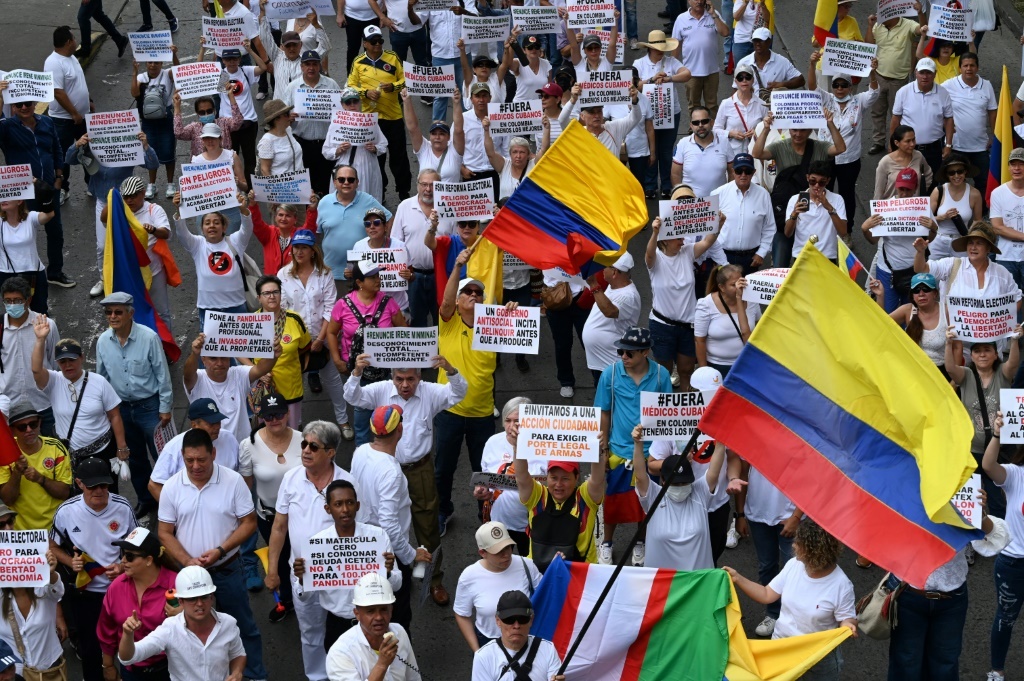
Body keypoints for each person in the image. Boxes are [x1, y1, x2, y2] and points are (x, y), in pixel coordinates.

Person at [345, 353, 466, 598]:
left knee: (428, 525)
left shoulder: (430, 392)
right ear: (392, 378)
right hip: (388, 469)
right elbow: (352, 396)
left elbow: (458, 393)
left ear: (420, 378)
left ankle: (434, 578)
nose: (405, 385)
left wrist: (451, 370)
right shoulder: (380, 390)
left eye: (410, 379)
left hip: (419, 469)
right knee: (386, 521)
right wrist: (356, 372)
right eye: (399, 379)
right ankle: (393, 572)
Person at [156, 429, 267, 681]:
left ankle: (254, 675)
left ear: (214, 454)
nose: (195, 466)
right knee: (192, 633)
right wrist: (187, 562)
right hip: (190, 577)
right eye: (189, 460)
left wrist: (221, 550)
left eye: (202, 460)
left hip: (227, 568)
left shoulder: (233, 480)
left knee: (242, 626)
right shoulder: (172, 487)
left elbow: (249, 523)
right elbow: (164, 532)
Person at [435, 253, 519, 538]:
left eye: (478, 292)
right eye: (467, 292)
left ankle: (485, 515)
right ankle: (443, 511)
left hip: (483, 413)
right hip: (449, 411)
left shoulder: (495, 324)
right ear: (458, 300)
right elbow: (445, 303)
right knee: (442, 469)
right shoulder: (448, 321)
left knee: (484, 472)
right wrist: (457, 265)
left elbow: (520, 328)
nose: (473, 295)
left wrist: (513, 311)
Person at [265, 420, 353, 681]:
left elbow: (364, 529)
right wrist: (272, 571)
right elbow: (279, 528)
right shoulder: (291, 479)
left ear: (330, 453)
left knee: (344, 629)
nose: (305, 450)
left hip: (341, 576)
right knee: (311, 633)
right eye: (303, 443)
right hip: (303, 576)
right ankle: (318, 676)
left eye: (313, 446)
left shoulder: (348, 483)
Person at [724, 519, 857, 679]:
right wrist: (738, 578)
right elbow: (767, 594)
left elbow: (847, 620)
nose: (793, 545)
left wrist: (849, 625)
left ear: (814, 551)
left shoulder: (842, 585)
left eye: (799, 543)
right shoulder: (793, 565)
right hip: (781, 648)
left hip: (817, 659)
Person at [49, 456, 138, 681]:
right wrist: (70, 562)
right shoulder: (66, 512)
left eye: (104, 485)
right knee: (91, 648)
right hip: (86, 594)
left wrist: (122, 565)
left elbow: (138, 545)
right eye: (92, 486)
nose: (99, 491)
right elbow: (51, 545)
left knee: (131, 643)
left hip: (120, 590)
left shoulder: (123, 506)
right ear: (79, 484)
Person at [594, 327, 674, 565]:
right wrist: (605, 450)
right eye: (621, 351)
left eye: (629, 353)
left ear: (646, 352)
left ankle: (641, 541)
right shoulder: (610, 375)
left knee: (646, 503)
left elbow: (667, 415)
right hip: (620, 452)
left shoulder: (661, 375)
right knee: (612, 503)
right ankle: (606, 543)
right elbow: (604, 413)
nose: (623, 356)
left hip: (651, 454)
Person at [296, 480, 400, 651]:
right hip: (337, 625)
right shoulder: (317, 544)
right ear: (328, 509)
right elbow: (304, 597)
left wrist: (388, 573)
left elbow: (397, 585)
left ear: (357, 506)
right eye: (338, 504)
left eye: (350, 503)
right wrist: (302, 579)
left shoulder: (377, 537)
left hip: (375, 623)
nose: (345, 509)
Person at [350, 406, 435, 616]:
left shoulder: (360, 452)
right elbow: (388, 523)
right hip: (388, 553)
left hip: (363, 542)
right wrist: (411, 555)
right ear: (400, 430)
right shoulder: (391, 471)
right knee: (398, 613)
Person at [94, 292, 172, 518]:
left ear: (131, 313)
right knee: (135, 458)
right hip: (122, 410)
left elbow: (162, 374)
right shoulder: (102, 342)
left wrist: (165, 406)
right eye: (108, 312)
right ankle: (146, 500)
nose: (112, 316)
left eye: (118, 312)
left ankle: (170, 501)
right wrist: (107, 412)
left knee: (162, 456)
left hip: (150, 407)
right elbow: (103, 379)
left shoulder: (148, 337)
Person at [31, 330, 128, 487]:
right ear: (57, 363)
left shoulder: (99, 382)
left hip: (102, 451)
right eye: (63, 362)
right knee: (76, 499)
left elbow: (115, 415)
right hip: (69, 456)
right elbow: (36, 370)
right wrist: (40, 339)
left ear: (81, 358)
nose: (68, 365)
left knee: (106, 493)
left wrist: (122, 447)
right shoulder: (53, 381)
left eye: (72, 359)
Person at [645, 198, 724, 391]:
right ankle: (665, 413)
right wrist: (655, 232)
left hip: (688, 324)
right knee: (663, 375)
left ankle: (685, 415)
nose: (683, 240)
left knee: (686, 370)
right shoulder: (656, 260)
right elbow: (649, 254)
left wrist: (718, 224)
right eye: (679, 237)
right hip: (662, 325)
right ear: (666, 238)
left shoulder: (687, 252)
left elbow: (707, 241)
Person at [117, 565, 247, 681]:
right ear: (181, 602)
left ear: (212, 597)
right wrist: (128, 634)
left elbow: (238, 654)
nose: (200, 603)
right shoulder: (170, 629)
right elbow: (129, 657)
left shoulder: (228, 623)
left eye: (204, 596)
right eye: (192, 599)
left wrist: (237, 673)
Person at [237, 393, 302, 622]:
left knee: (302, 559)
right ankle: (286, 601)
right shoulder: (249, 445)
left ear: (287, 414)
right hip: (268, 516)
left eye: (279, 414)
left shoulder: (304, 440)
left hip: (300, 516)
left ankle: (309, 600)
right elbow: (246, 486)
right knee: (280, 560)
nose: (274, 420)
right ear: (261, 418)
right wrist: (246, 519)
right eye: (268, 416)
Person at [751, 109, 845, 265]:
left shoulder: (820, 147)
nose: (798, 134)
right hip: (787, 209)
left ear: (810, 130)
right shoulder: (780, 146)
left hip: (815, 210)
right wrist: (766, 128)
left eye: (803, 130)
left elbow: (840, 149)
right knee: (780, 266)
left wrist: (830, 123)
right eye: (794, 130)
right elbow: (757, 153)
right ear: (789, 129)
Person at [326, 259, 406, 442]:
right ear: (359, 282)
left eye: (378, 276)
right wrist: (337, 360)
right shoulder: (343, 304)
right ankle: (362, 457)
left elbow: (403, 331)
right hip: (357, 371)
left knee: (388, 415)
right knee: (361, 415)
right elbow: (331, 332)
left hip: (386, 371)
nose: (378, 280)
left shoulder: (389, 302)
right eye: (372, 277)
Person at [0, 75, 67, 291]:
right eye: (18, 104)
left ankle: (55, 272)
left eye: (28, 103)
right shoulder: (8, 128)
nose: (24, 107)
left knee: (55, 231)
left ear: (35, 103)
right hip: (21, 194)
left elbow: (57, 148)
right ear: (13, 106)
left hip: (48, 189)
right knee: (21, 235)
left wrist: (58, 178)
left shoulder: (46, 122)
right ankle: (20, 278)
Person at [632, 423, 727, 570]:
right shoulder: (653, 497)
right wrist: (638, 445)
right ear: (663, 480)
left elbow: (714, 470)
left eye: (684, 483)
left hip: (697, 583)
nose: (680, 487)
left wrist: (721, 442)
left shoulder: (700, 493)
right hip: (662, 585)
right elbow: (640, 475)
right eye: (675, 484)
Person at [96, 527, 179, 681]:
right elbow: (106, 630)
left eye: (129, 556)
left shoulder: (177, 584)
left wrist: (184, 616)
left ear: (149, 560)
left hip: (170, 668)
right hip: (131, 670)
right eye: (122, 554)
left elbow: (201, 622)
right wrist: (108, 666)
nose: (123, 561)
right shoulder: (116, 587)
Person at [807, 55, 880, 226]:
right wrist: (811, 64)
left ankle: (846, 229)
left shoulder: (859, 101)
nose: (839, 89)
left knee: (847, 195)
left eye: (843, 85)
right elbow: (812, 87)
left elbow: (874, 92)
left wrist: (873, 73)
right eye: (836, 85)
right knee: (824, 191)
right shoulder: (826, 99)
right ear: (832, 87)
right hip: (826, 158)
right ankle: (825, 226)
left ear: (850, 87)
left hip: (849, 159)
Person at [278, 230, 346, 414]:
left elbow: (330, 308)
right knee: (294, 382)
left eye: (304, 248)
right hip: (294, 339)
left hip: (321, 335)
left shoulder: (325, 274)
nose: (299, 252)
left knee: (332, 379)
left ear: (313, 251)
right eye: (296, 247)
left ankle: (343, 419)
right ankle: (296, 425)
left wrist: (319, 339)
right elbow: (282, 309)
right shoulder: (283, 274)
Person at [98, 177, 176, 327]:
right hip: (130, 274)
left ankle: (165, 349)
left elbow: (166, 233)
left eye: (133, 196)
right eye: (125, 197)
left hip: (154, 272)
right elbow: (103, 218)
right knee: (132, 313)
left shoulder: (154, 209)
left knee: (161, 312)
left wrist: (152, 230)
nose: (129, 201)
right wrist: (112, 198)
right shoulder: (120, 213)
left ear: (142, 193)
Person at [476, 398, 547, 556]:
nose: (512, 426)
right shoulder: (492, 442)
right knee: (499, 567)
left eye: (518, 421)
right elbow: (485, 477)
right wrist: (482, 490)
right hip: (499, 523)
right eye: (507, 420)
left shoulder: (545, 446)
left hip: (532, 525)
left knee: (530, 569)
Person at [455, 522, 542, 651]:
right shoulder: (469, 576)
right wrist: (477, 650)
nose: (506, 554)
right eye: (498, 551)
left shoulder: (527, 565)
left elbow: (546, 593)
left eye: (508, 547)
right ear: (482, 552)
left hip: (525, 638)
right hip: (489, 642)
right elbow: (462, 614)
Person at [348, 26, 411, 200]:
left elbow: (407, 78)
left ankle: (404, 191)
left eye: (380, 41)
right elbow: (350, 85)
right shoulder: (358, 62)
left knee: (399, 157)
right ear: (365, 43)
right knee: (376, 159)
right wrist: (365, 93)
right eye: (373, 41)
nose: (377, 44)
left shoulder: (392, 57)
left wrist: (394, 87)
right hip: (371, 120)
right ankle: (379, 192)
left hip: (394, 116)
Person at [171, 191, 253, 324]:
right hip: (208, 308)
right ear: (202, 228)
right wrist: (179, 211)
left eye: (216, 223)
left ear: (224, 227)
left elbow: (247, 229)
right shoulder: (197, 244)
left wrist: (243, 210)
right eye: (207, 223)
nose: (212, 226)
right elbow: (182, 233)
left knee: (238, 344)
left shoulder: (235, 241)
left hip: (236, 305)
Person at [325, 573, 421, 681]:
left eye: (384, 609)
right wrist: (381, 665)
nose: (379, 617)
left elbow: (413, 677)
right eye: (370, 611)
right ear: (357, 614)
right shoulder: (340, 653)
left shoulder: (400, 632)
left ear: (391, 610)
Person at [183, 337, 279, 444]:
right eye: (213, 358)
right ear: (203, 360)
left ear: (229, 358)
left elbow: (260, 369)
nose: (219, 363)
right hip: (209, 450)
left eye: (224, 358)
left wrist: (274, 354)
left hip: (242, 447)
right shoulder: (198, 379)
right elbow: (187, 375)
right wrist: (194, 354)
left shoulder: (238, 374)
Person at [863, 167, 935, 311]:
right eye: (901, 189)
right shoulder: (885, 208)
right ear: (896, 187)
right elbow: (873, 241)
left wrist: (933, 228)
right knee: (887, 313)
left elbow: (929, 239)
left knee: (912, 313)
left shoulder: (922, 208)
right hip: (887, 271)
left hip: (914, 270)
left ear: (915, 188)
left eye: (908, 190)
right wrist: (865, 229)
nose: (904, 194)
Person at [198, 42, 267, 185]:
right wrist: (203, 47)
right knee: (229, 158)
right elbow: (200, 71)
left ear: (239, 59)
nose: (232, 62)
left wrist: (249, 49)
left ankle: (249, 190)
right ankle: (232, 188)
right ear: (223, 60)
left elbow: (263, 67)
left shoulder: (245, 71)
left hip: (248, 121)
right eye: (228, 59)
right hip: (228, 125)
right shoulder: (222, 75)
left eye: (235, 59)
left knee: (250, 159)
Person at [147, 401, 244, 501]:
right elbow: (154, 485)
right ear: (194, 425)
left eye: (218, 421)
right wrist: (175, 512)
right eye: (211, 423)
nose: (217, 427)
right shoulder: (173, 447)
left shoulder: (229, 438)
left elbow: (242, 473)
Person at [316, 165, 392, 291]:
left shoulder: (367, 200)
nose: (346, 183)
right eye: (341, 179)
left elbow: (389, 219)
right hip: (331, 273)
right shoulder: (324, 202)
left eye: (351, 180)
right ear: (334, 182)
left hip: (363, 274)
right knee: (335, 310)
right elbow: (317, 234)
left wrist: (382, 245)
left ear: (357, 182)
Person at [634, 30, 690, 199]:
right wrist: (652, 79)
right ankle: (650, 184)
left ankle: (666, 184)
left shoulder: (671, 61)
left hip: (670, 112)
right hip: (647, 114)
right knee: (651, 149)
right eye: (657, 47)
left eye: (662, 47)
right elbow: (634, 85)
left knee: (666, 150)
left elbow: (687, 74)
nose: (660, 50)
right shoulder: (639, 63)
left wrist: (669, 79)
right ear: (649, 48)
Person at [0, 404, 71, 530]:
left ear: (40, 423)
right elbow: (8, 500)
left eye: (33, 424)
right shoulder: (7, 453)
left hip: (54, 528)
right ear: (12, 430)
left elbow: (64, 493)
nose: (29, 430)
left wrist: (40, 479)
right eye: (22, 427)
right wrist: (17, 473)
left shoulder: (56, 448)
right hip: (21, 532)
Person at [0, 279, 58, 434]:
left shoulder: (47, 325)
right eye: (8, 301)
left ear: (28, 300)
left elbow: (55, 362)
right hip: (9, 408)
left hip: (43, 405)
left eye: (18, 300)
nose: (12, 305)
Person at [867, 5, 926, 155]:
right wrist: (870, 26)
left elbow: (923, 29)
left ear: (891, 14)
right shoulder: (878, 26)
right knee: (877, 112)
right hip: (879, 76)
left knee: (897, 114)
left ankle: (895, 143)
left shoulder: (907, 25)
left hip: (898, 80)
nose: (879, 16)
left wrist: (920, 12)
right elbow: (868, 44)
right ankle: (878, 141)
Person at [254, 275, 311, 428]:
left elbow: (305, 347)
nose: (271, 296)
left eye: (275, 292)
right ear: (259, 297)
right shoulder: (251, 322)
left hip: (290, 387)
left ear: (281, 294)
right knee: (265, 434)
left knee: (292, 432)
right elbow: (240, 353)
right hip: (263, 388)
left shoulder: (295, 319)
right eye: (266, 293)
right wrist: (258, 372)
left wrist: (299, 368)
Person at [281, 52, 341, 197]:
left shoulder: (331, 84)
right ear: (302, 67)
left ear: (319, 65)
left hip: (326, 143)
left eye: (314, 64)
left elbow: (341, 112)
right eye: (307, 64)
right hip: (302, 144)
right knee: (305, 185)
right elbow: (282, 116)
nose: (311, 68)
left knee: (327, 182)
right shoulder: (292, 87)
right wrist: (289, 118)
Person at [44, 26, 90, 210]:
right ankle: (63, 188)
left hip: (82, 116)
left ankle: (91, 184)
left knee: (88, 150)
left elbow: (78, 83)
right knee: (63, 154)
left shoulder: (71, 58)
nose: (76, 39)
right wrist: (74, 113)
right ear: (68, 42)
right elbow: (58, 92)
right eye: (73, 37)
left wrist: (89, 101)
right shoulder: (54, 62)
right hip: (64, 120)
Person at [471, 590, 564, 681]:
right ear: (498, 621)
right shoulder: (483, 656)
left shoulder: (548, 649)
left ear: (531, 620)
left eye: (522, 619)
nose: (516, 626)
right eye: (509, 619)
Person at [0, 545, 63, 680]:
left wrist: (50, 573)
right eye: (10, 564)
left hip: (50, 668)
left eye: (20, 562)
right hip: (14, 673)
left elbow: (58, 590)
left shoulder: (42, 589)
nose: (16, 568)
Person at [392, 169, 443, 328]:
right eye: (424, 184)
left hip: (441, 276)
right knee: (415, 324)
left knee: (442, 322)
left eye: (433, 185)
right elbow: (396, 244)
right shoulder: (404, 206)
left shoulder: (448, 208)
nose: (428, 189)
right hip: (413, 277)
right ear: (417, 185)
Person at [870, 273, 949, 373]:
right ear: (912, 295)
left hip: (941, 372)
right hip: (913, 371)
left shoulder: (947, 311)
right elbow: (880, 324)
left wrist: (954, 383)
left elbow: (957, 348)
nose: (921, 294)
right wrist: (880, 296)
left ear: (935, 293)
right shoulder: (907, 310)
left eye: (926, 289)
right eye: (916, 290)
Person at [890, 58, 954, 183]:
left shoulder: (943, 93)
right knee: (908, 182)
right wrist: (892, 144)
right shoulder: (903, 92)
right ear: (916, 73)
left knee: (934, 181)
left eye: (929, 73)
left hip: (935, 148)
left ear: (935, 73)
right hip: (908, 148)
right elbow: (895, 119)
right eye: (922, 72)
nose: (925, 76)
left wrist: (948, 145)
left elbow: (949, 119)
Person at [582, 253, 641, 382]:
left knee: (612, 398)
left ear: (614, 272)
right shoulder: (614, 286)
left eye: (605, 266)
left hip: (611, 362)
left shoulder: (628, 296)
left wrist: (594, 285)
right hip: (601, 361)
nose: (602, 269)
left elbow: (610, 311)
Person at [946, 53, 996, 206]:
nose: (969, 69)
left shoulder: (986, 85)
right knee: (954, 182)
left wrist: (995, 137)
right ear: (959, 68)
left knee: (983, 183)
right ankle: (956, 211)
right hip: (956, 146)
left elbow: (992, 112)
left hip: (980, 147)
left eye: (972, 65)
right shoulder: (948, 85)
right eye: (965, 65)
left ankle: (981, 213)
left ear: (977, 67)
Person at [323, 87, 388, 203]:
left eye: (355, 101)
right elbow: (326, 151)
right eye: (348, 102)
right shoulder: (336, 124)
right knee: (342, 199)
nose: (352, 105)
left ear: (360, 103)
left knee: (366, 198)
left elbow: (383, 144)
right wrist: (338, 150)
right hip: (344, 164)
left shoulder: (369, 121)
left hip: (367, 165)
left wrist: (375, 148)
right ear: (343, 105)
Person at [711, 153, 773, 274]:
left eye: (747, 171)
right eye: (739, 171)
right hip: (723, 256)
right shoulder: (718, 193)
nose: (743, 175)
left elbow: (769, 227)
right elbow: (709, 230)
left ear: (754, 172)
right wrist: (717, 257)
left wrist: (761, 253)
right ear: (733, 171)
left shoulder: (763, 195)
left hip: (751, 259)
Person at [670, 0, 729, 118]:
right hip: (690, 72)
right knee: (693, 105)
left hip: (711, 71)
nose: (699, 1)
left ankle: (713, 131)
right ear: (688, 1)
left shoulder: (713, 14)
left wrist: (713, 14)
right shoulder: (681, 19)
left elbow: (725, 32)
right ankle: (694, 131)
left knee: (712, 105)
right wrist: (673, 68)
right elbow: (676, 44)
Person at [131, 56, 179, 201]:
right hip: (148, 121)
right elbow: (134, 93)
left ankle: (170, 184)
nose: (153, 65)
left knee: (168, 150)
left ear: (161, 63)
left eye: (156, 62)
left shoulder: (167, 74)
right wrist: (134, 72)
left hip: (166, 119)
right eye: (150, 62)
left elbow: (179, 71)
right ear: (146, 63)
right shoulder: (141, 77)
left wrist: (174, 54)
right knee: (150, 151)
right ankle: (152, 184)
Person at [695, 264, 758, 376]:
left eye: (741, 282)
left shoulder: (752, 301)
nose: (740, 287)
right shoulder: (705, 304)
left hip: (746, 364)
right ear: (722, 287)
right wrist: (704, 371)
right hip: (717, 366)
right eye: (734, 285)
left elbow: (758, 329)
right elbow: (700, 341)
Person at [784, 160, 847, 265]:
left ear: (828, 181)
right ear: (807, 178)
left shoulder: (837, 199)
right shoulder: (795, 199)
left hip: (827, 256)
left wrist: (830, 208)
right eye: (813, 181)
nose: (816, 185)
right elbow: (787, 233)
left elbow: (843, 231)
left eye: (821, 182)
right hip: (802, 255)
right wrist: (794, 214)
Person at [0, 196, 54, 315]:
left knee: (39, 311)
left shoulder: (31, 218)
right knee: (14, 313)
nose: (3, 199)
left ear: (19, 201)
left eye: (8, 197)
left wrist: (42, 189)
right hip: (7, 274)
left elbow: (49, 214)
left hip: (33, 273)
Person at [557, 83, 642, 158]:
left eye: (599, 111)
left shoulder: (613, 128)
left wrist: (634, 102)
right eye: (592, 112)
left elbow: (635, 118)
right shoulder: (579, 133)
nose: (597, 115)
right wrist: (572, 100)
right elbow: (561, 120)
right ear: (582, 116)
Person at [672, 105, 736, 197]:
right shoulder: (683, 144)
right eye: (696, 123)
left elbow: (732, 171)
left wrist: (729, 195)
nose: (700, 125)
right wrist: (680, 195)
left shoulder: (724, 142)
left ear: (712, 123)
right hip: (691, 203)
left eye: (704, 121)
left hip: (720, 202)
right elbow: (675, 173)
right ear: (691, 126)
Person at [401, 90, 465, 184]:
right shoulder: (424, 149)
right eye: (434, 134)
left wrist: (456, 102)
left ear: (448, 137)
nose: (437, 137)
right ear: (429, 136)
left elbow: (459, 130)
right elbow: (413, 128)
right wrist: (407, 101)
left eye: (442, 134)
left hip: (450, 198)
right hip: (428, 197)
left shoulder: (455, 150)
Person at [250, 192, 319, 276]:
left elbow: (310, 227)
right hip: (272, 283)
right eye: (280, 215)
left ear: (295, 219)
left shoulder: (299, 235)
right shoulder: (268, 233)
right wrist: (253, 205)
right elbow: (256, 222)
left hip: (294, 282)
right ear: (275, 218)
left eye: (288, 216)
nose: (283, 218)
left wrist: (312, 210)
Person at [928, 154, 982, 260]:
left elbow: (978, 220)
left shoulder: (974, 194)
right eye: (951, 173)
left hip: (961, 241)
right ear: (947, 175)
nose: (956, 176)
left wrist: (971, 236)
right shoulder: (938, 191)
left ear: (965, 171)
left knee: (960, 274)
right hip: (939, 240)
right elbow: (926, 219)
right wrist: (943, 217)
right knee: (933, 273)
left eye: (960, 171)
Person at [990, 148, 1024, 298]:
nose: (1017, 168)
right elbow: (997, 227)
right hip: (1006, 256)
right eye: (1013, 164)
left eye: (1021, 164)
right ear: (1008, 167)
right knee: (1008, 302)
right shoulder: (998, 193)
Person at [735, 27, 805, 100]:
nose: (758, 44)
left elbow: (800, 80)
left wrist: (782, 84)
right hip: (750, 108)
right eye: (755, 41)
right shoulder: (743, 63)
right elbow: (735, 89)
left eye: (761, 40)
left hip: (774, 108)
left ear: (769, 41)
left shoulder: (782, 62)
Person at [714, 64, 766, 162]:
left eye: (748, 77)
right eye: (740, 78)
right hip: (731, 155)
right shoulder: (726, 104)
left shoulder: (762, 105)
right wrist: (730, 133)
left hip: (754, 154)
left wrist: (757, 133)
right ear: (735, 81)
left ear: (753, 80)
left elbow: (769, 129)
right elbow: (716, 129)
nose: (744, 80)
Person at [172, 89, 243, 158]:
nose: (206, 114)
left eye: (209, 111)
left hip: (223, 167)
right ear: (197, 113)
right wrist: (177, 107)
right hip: (202, 168)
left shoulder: (224, 123)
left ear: (214, 110)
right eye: (202, 112)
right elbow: (179, 133)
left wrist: (231, 96)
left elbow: (238, 121)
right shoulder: (194, 128)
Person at [874, 125, 933, 200]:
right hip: (892, 209)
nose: (912, 144)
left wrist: (921, 191)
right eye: (907, 141)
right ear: (897, 143)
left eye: (913, 140)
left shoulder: (918, 156)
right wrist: (876, 210)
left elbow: (928, 173)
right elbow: (879, 190)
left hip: (914, 207)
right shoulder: (885, 162)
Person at [482, 128, 535, 202]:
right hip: (506, 212)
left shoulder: (534, 165)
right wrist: (487, 130)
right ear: (510, 154)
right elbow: (490, 153)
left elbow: (544, 150)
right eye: (515, 152)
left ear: (529, 154)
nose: (518, 156)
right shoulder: (504, 165)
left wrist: (546, 128)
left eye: (522, 152)